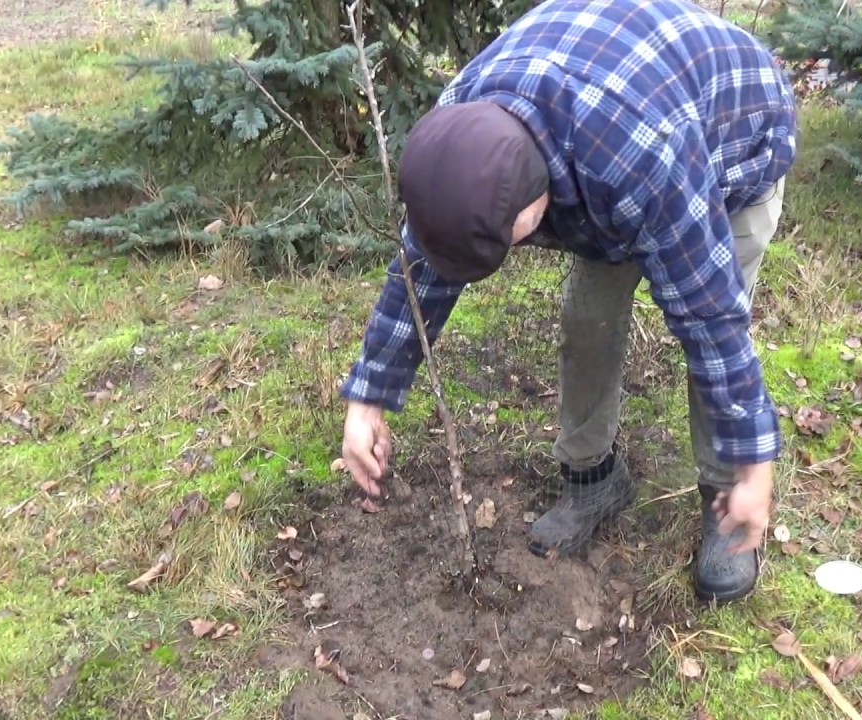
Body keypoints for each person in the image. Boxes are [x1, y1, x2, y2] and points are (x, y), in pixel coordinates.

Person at [338, 0, 797, 603]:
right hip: (617, 119)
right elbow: (422, 269)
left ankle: (725, 499)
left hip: (733, 134)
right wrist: (368, 398)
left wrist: (755, 469)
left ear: (538, 201)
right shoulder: (461, 122)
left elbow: (713, 324)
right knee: (588, 318)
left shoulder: (642, 161)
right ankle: (593, 479)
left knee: (703, 336)